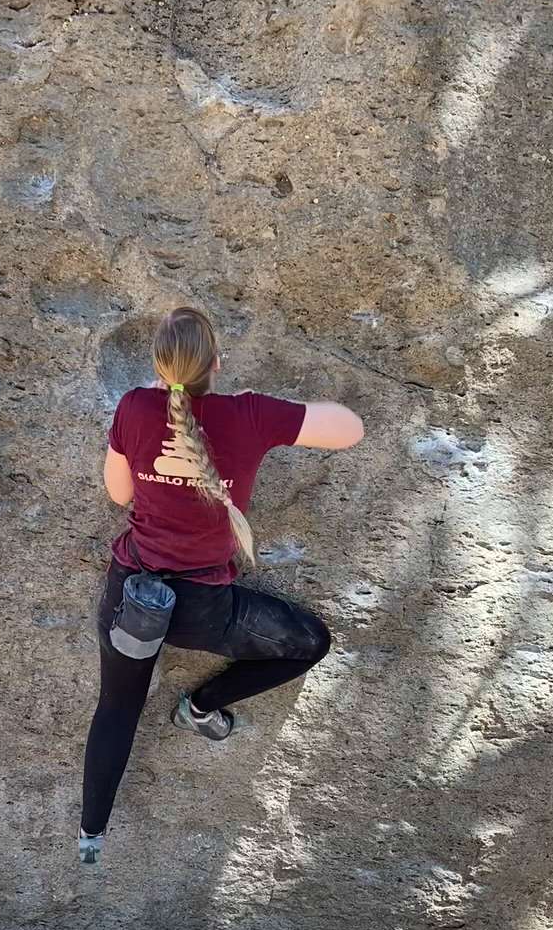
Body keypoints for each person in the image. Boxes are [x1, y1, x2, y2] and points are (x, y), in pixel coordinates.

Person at [79, 305, 364, 864]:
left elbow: (119, 494)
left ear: (158, 366)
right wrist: (262, 406)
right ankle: (201, 706)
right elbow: (349, 429)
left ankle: (91, 835)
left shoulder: (134, 407)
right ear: (217, 363)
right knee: (311, 642)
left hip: (130, 596)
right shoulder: (249, 415)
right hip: (203, 610)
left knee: (117, 707)